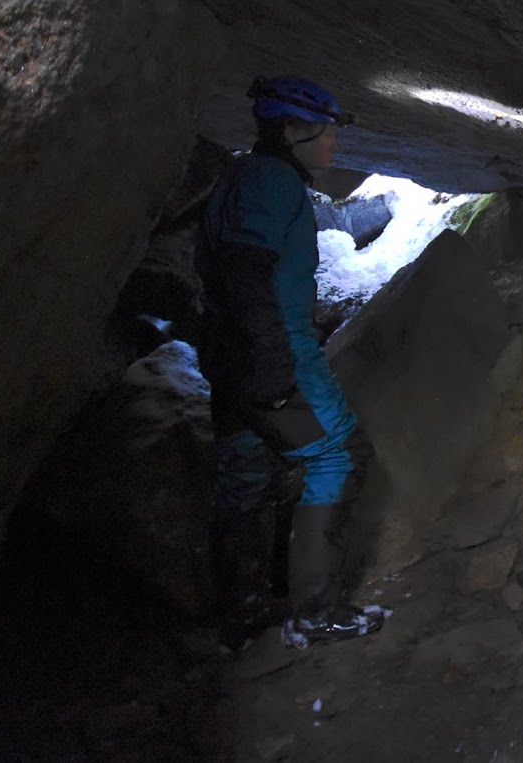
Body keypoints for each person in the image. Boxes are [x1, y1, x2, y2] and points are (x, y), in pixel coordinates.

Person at [196, 75, 385, 648]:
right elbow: (246, 272)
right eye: (325, 134)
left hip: (227, 357)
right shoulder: (274, 182)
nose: (333, 145)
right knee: (337, 453)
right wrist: (274, 372)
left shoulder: (238, 177)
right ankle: (315, 607)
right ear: (293, 130)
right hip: (273, 355)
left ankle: (245, 608)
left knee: (247, 468)